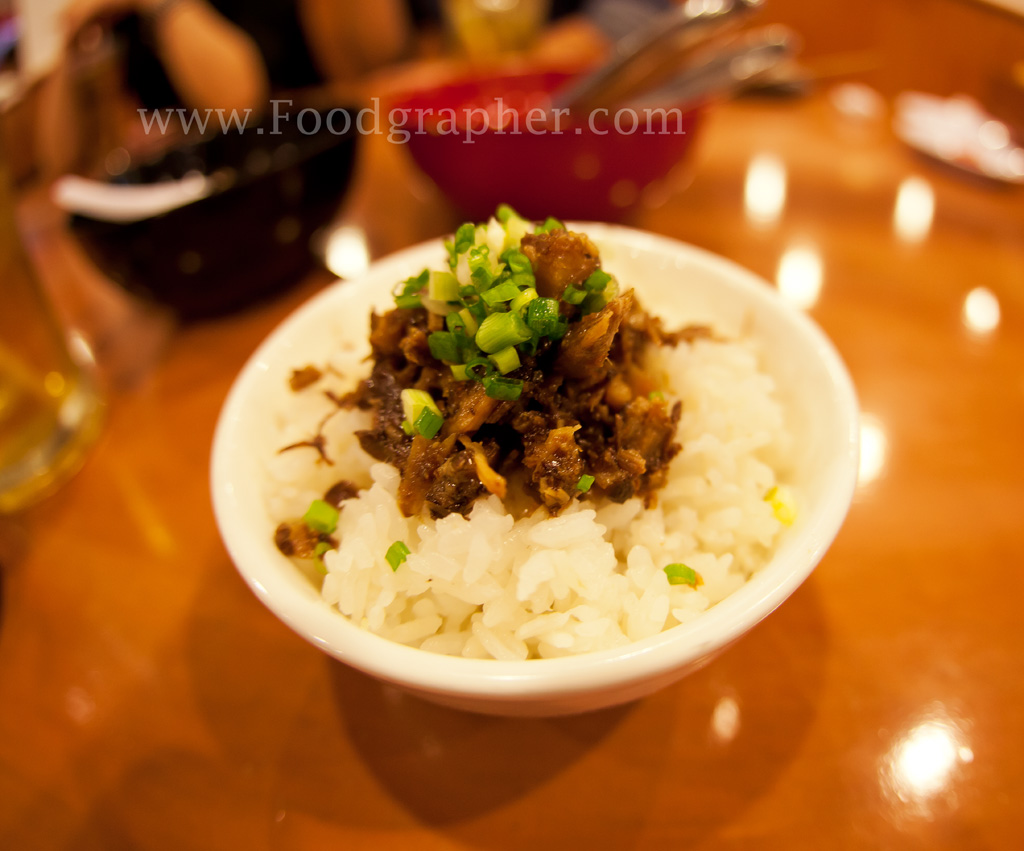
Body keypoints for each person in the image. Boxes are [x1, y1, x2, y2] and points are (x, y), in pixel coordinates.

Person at [36, 0, 414, 176]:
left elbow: (238, 107)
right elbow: (59, 163)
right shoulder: (124, 21)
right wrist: (67, 42)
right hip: (203, 199)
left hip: (306, 172)